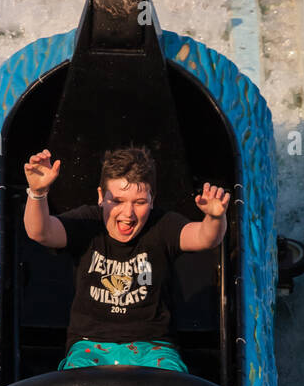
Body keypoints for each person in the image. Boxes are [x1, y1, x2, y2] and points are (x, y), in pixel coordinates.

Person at [22, 145, 230, 372]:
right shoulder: (87, 222)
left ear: (152, 200)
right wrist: (38, 193)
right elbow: (39, 232)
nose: (128, 213)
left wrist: (215, 217)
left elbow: (205, 237)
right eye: (118, 201)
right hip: (90, 347)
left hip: (154, 348)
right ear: (101, 196)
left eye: (139, 202)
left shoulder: (163, 226)